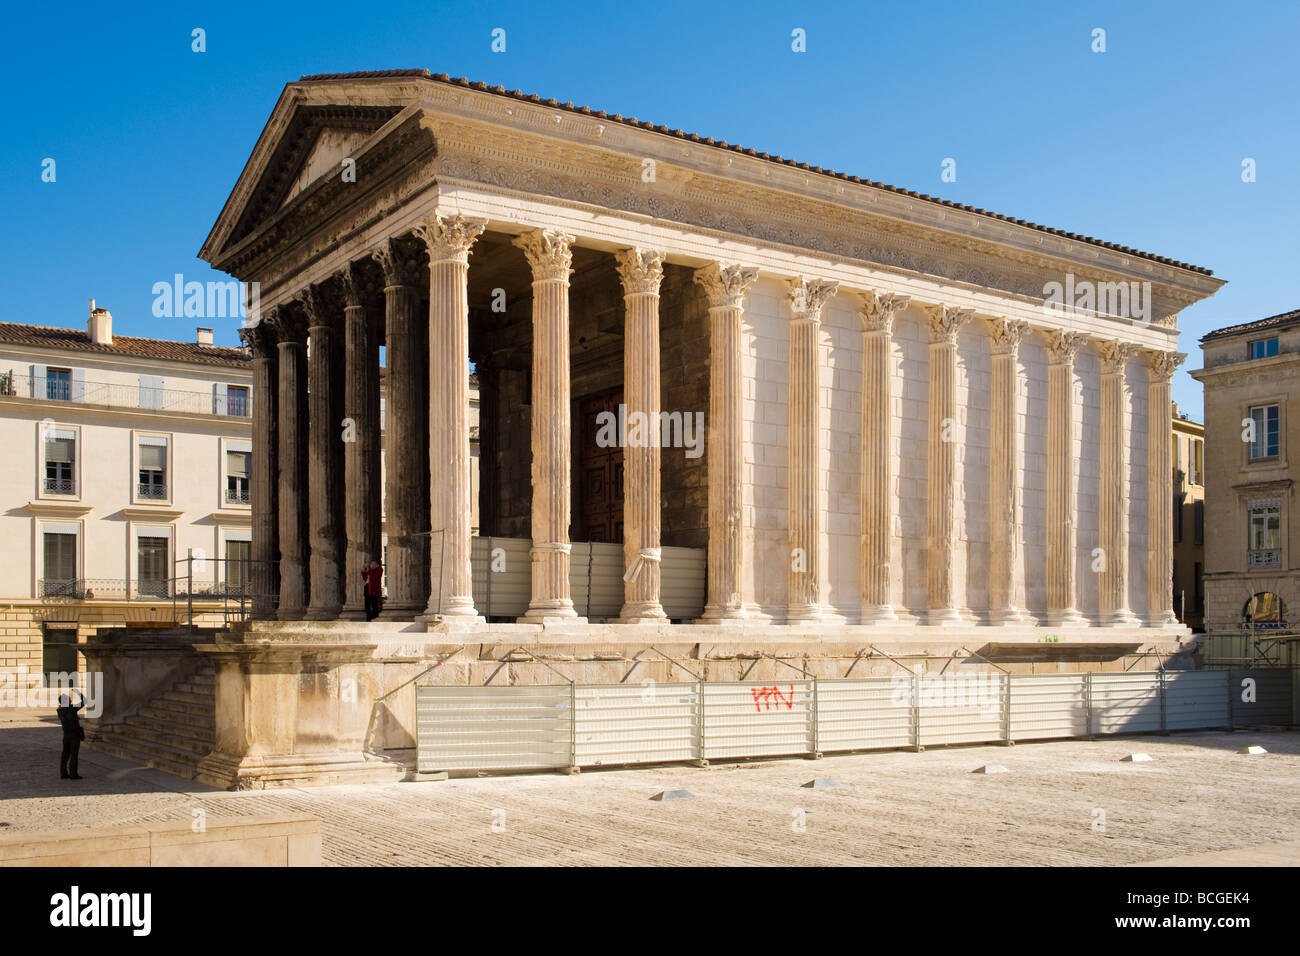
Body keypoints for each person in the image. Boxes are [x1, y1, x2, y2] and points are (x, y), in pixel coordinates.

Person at [57, 690, 86, 780]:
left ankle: (63, 773)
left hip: (66, 735)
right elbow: (84, 701)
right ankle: (73, 774)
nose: (71, 700)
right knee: (74, 754)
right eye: (69, 699)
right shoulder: (72, 709)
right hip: (74, 734)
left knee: (65, 754)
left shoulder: (60, 710)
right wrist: (78, 692)